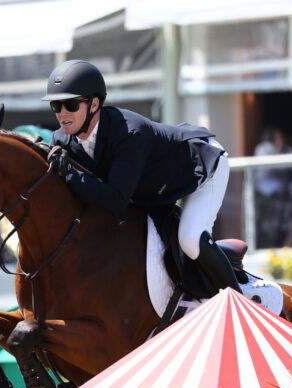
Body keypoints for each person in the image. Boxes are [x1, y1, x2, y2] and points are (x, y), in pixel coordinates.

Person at [42, 59, 239, 293]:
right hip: (153, 189)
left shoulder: (130, 133)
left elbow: (115, 200)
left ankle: (239, 300)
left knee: (189, 238)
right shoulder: (61, 140)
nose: (62, 114)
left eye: (71, 105)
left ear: (94, 104)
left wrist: (71, 176)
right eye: (56, 106)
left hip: (200, 168)